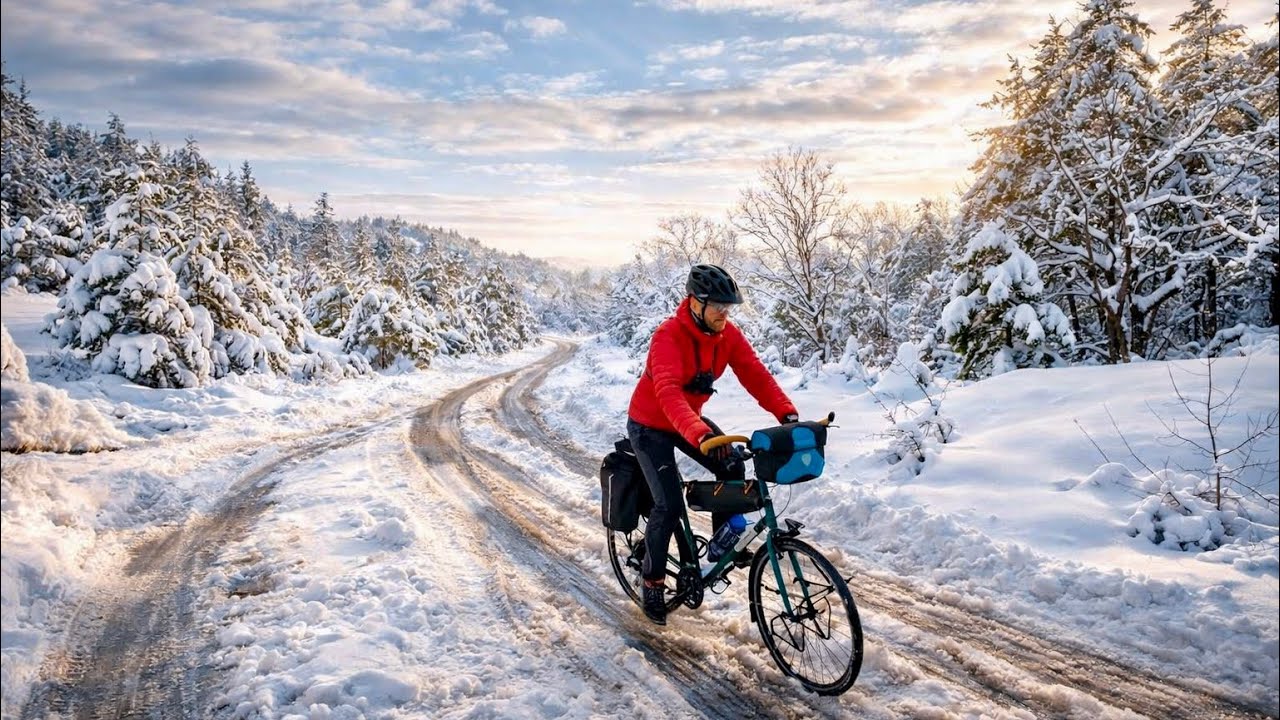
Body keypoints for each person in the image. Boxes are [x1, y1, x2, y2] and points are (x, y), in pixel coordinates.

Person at [626, 263, 799, 625]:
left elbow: (755, 374)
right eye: (718, 306)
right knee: (668, 505)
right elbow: (668, 393)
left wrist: (786, 413)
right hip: (650, 425)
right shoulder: (667, 336)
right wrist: (700, 434)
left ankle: (723, 544)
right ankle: (652, 581)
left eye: (729, 307)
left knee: (732, 464)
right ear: (695, 303)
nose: (725, 313)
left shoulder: (727, 336)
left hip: (688, 420)